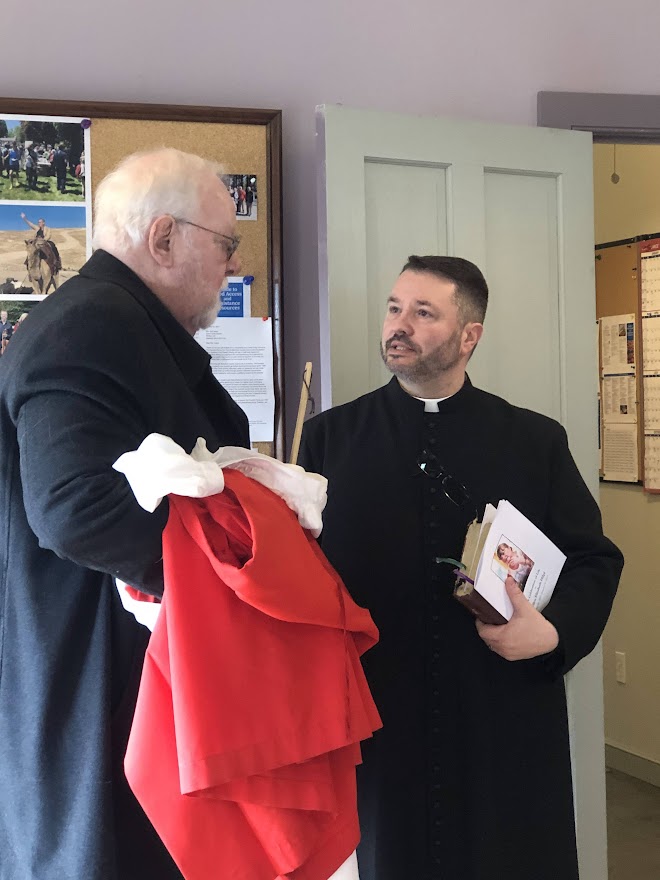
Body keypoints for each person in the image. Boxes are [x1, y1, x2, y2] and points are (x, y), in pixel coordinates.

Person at [299, 255, 624, 880]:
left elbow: (594, 561)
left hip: (501, 718)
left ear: (468, 335)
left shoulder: (535, 442)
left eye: (424, 313)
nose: (399, 325)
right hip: (378, 718)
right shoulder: (329, 442)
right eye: (395, 308)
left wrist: (552, 633)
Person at [0, 148, 248, 880]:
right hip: (100, 706)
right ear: (164, 239)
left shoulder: (111, 322)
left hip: (122, 701)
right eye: (226, 245)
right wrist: (231, 565)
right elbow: (74, 510)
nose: (231, 266)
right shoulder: (92, 325)